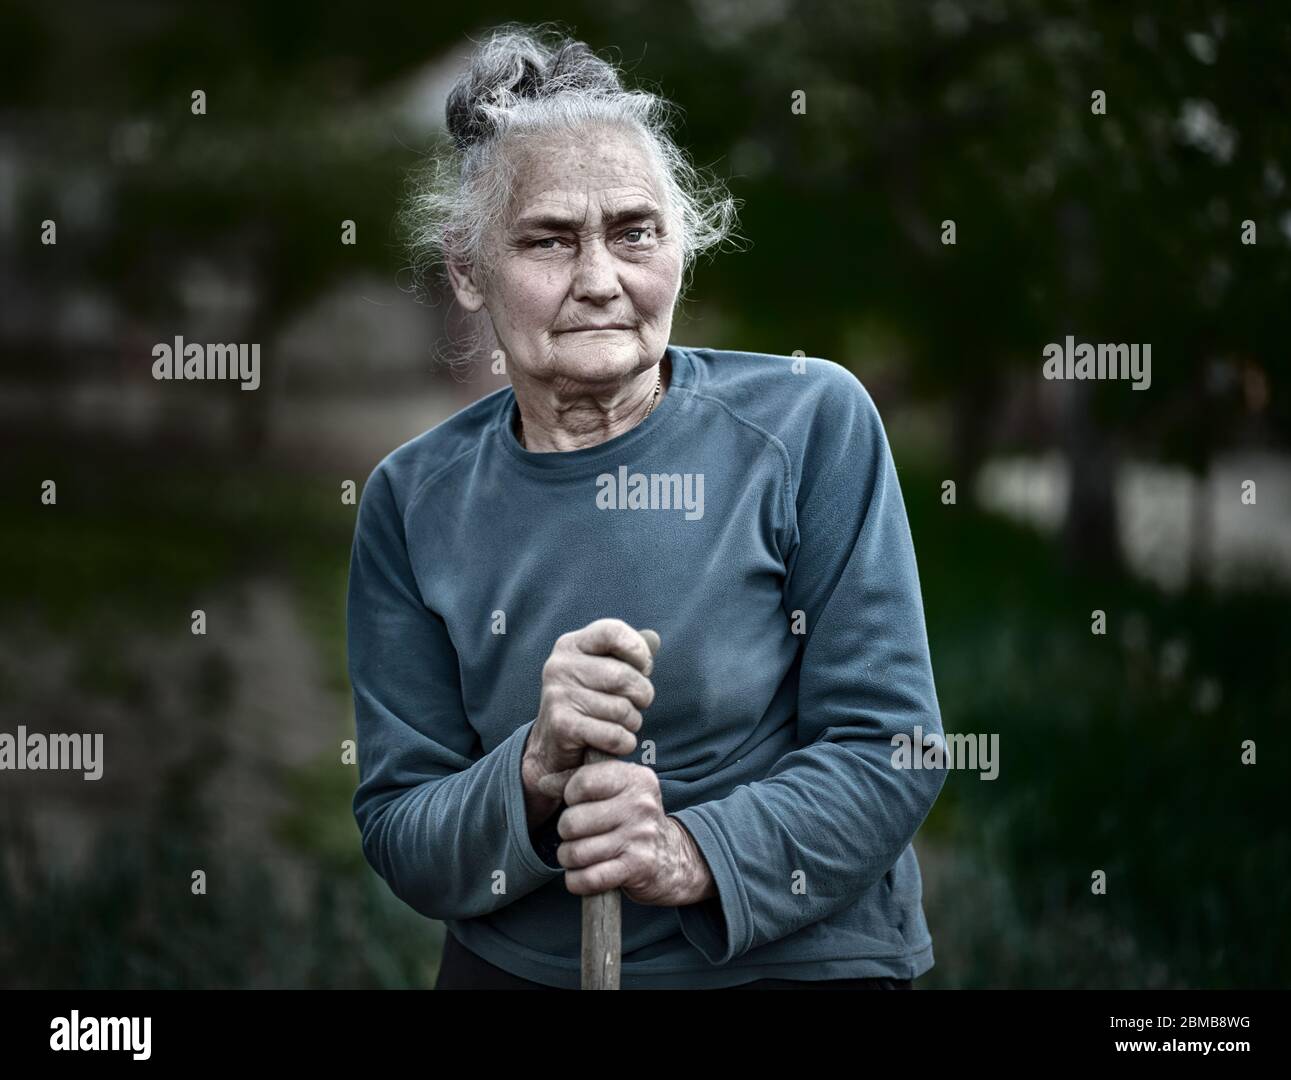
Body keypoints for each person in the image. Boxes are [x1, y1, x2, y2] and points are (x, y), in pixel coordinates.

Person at [347, 22, 948, 990]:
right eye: (548, 239)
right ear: (466, 269)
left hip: (794, 966)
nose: (599, 280)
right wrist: (533, 774)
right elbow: (400, 826)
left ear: (681, 247)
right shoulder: (411, 500)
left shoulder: (810, 424)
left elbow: (893, 746)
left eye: (634, 232)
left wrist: (686, 852)